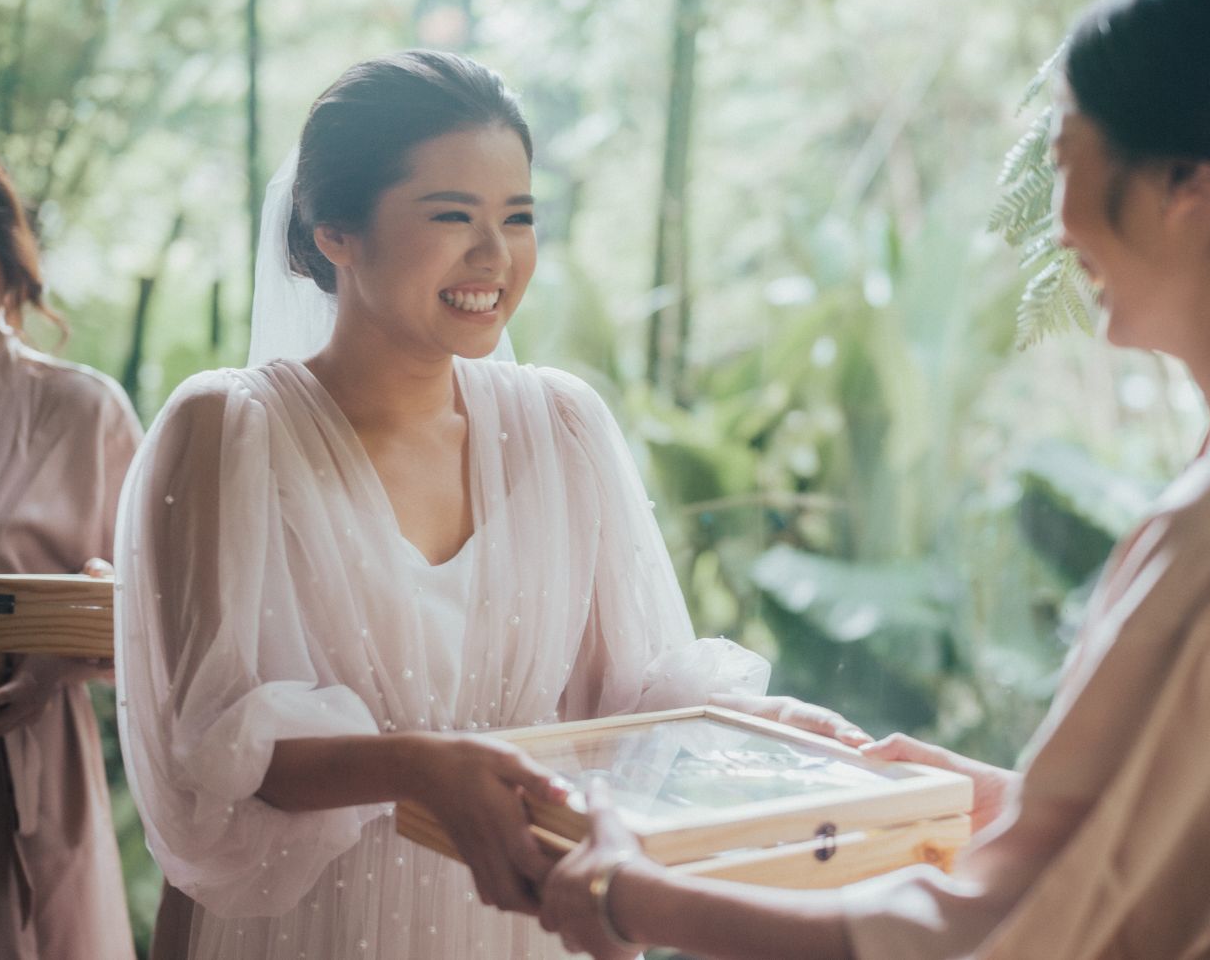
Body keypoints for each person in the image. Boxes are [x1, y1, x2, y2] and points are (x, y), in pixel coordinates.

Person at [536, 0, 1210, 957]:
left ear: (1193, 186)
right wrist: (1003, 801)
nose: (1057, 225)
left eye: (1069, 164)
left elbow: (996, 936)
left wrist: (636, 897)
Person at [114, 51, 856, 960]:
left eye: (519, 219)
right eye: (453, 218)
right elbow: (215, 747)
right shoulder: (228, 429)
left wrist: (770, 731)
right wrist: (423, 768)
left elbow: (627, 696)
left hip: (521, 915)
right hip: (314, 924)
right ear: (335, 231)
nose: (495, 258)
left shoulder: (564, 425)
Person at [0, 134, 139, 958]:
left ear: (10, 248)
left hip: (18, 772)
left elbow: (163, 613)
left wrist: (57, 658)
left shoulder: (82, 412)